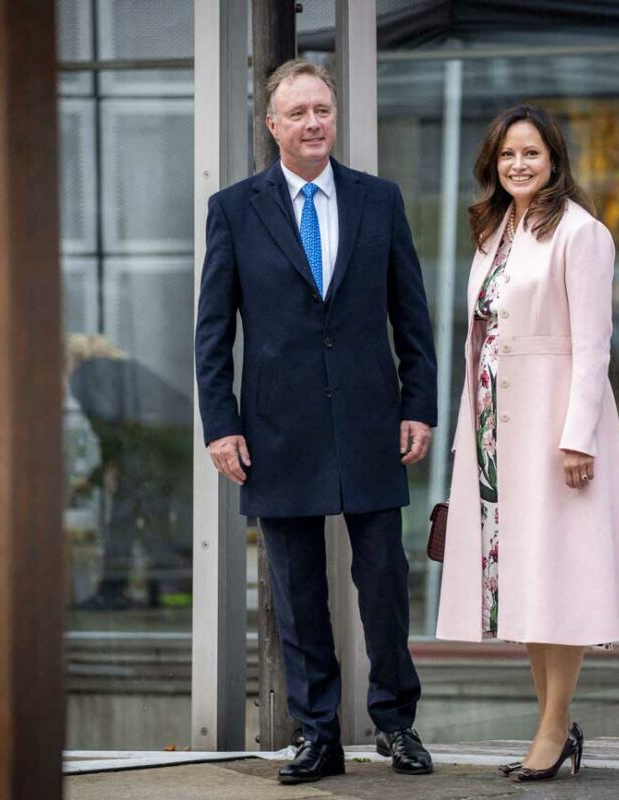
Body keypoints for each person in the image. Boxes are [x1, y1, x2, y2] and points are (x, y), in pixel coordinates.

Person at [194, 59, 437, 784]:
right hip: (276, 430)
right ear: (272, 125)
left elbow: (411, 315)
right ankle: (319, 734)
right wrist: (221, 424)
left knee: (384, 581)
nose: (312, 123)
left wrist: (418, 405)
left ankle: (396, 723)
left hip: (370, 420)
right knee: (297, 594)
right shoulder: (234, 209)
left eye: (322, 110)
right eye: (297, 112)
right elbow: (213, 332)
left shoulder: (378, 200)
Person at [435, 105, 619, 783]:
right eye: (507, 155)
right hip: (498, 431)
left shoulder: (582, 233)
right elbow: (480, 342)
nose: (518, 165)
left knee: (561, 578)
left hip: (554, 431)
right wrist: (468, 436)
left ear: (554, 159)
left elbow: (593, 345)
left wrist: (578, 437)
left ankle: (553, 729)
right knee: (523, 581)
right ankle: (551, 724)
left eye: (530, 153)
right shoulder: (493, 232)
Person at [66, 334, 192, 611]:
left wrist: (102, 472)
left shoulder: (85, 376)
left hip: (146, 448)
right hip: (174, 446)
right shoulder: (124, 368)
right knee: (155, 518)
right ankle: (163, 590)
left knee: (123, 519)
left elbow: (108, 431)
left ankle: (113, 592)